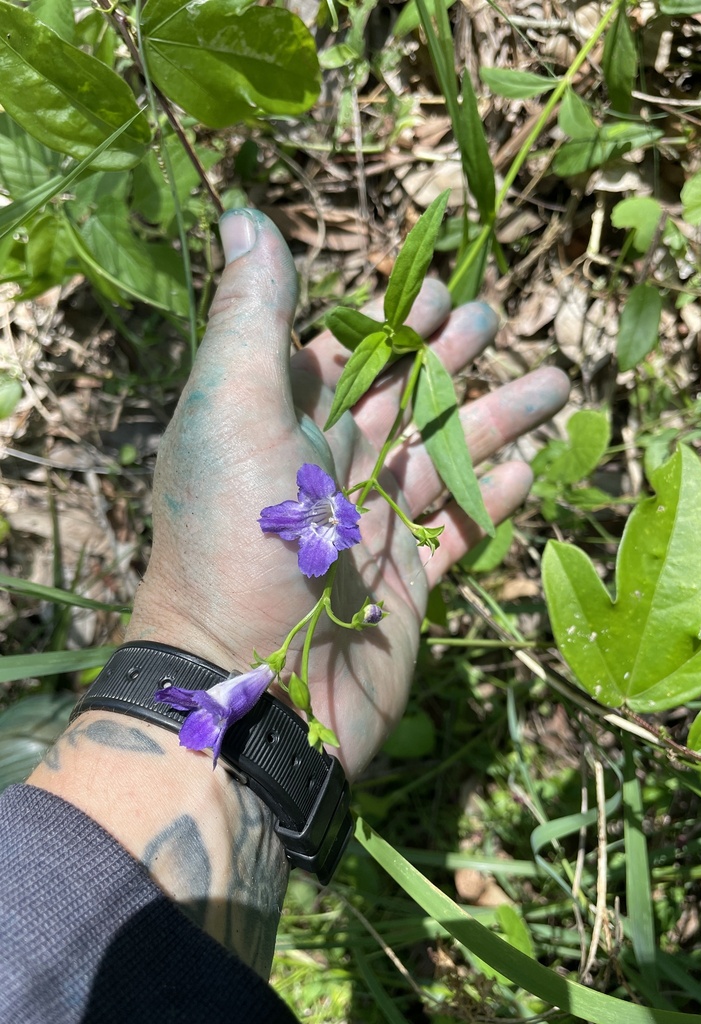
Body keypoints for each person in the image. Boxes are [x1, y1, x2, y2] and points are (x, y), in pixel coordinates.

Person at [0, 209, 569, 1022]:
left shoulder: (330, 516)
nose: (326, 524)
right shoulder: (313, 521)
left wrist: (210, 645)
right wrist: (224, 653)